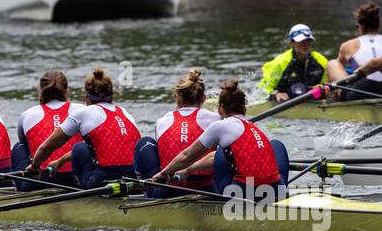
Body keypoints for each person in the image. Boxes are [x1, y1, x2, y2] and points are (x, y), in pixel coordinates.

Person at [150, 79, 289, 198]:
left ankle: (221, 201)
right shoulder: (254, 128)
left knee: (222, 153)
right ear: (244, 109)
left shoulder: (220, 126)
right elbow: (212, 157)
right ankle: (284, 194)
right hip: (276, 190)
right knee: (276, 145)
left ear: (220, 108)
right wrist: (188, 170)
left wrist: (163, 173)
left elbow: (187, 156)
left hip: (242, 192)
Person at [22, 68, 141, 187]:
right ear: (113, 96)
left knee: (80, 147)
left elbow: (45, 148)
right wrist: (61, 161)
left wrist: (34, 166)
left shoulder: (83, 113)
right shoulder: (126, 113)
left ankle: (81, 188)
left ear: (87, 98)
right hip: (134, 180)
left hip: (101, 181)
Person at [133, 68, 221, 197]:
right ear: (204, 98)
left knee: (145, 142)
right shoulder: (216, 119)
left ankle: (147, 192)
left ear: (177, 98)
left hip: (168, 190)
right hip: (207, 189)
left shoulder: (162, 121)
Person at [12, 69, 83, 191]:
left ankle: (21, 179)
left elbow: (25, 143)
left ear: (40, 91)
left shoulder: (27, 114)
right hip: (76, 181)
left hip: (40, 181)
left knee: (19, 146)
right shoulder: (82, 110)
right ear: (67, 91)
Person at [325, 2, 382, 100]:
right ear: (378, 24)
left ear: (359, 27)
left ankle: (335, 104)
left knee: (332, 64)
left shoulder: (348, 45)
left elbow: (338, 72)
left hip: (360, 92)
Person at [262, 24, 329, 101]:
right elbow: (263, 90)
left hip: (311, 98)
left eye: (308, 40)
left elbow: (327, 85)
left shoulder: (321, 60)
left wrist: (321, 87)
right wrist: (275, 94)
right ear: (291, 43)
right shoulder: (279, 63)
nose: (305, 44)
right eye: (301, 41)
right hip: (285, 101)